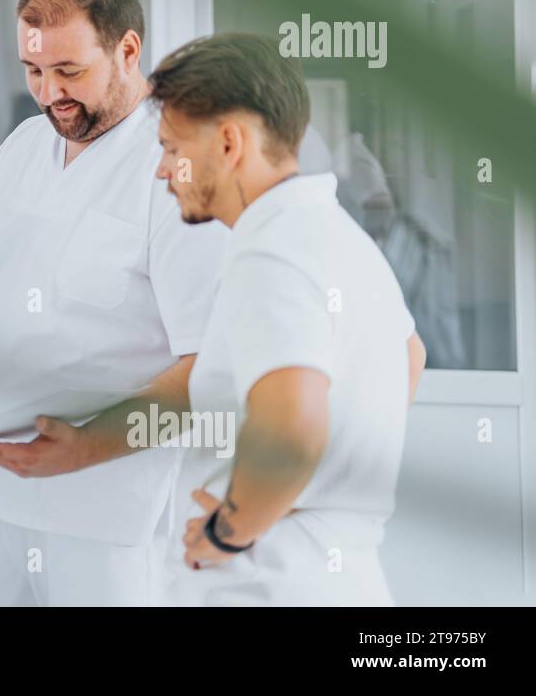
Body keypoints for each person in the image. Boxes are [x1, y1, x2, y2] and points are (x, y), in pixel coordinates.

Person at [0, 0, 228, 606]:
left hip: (112, 514)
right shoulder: (24, 146)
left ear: (128, 51)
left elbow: (210, 368)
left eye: (69, 71)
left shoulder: (175, 169)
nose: (49, 93)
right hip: (7, 496)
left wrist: (84, 447)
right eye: (33, 70)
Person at [146, 32, 424, 604]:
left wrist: (229, 533)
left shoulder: (271, 251)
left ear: (228, 143)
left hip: (267, 581)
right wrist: (326, 475)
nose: (162, 170)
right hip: (333, 573)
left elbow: (293, 428)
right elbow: (409, 357)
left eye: (173, 149)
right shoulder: (338, 235)